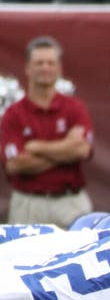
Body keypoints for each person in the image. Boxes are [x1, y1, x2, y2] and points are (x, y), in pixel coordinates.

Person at [0, 36, 94, 229]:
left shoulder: (74, 108)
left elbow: (82, 150)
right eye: (39, 63)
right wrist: (65, 149)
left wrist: (36, 147)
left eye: (50, 63)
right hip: (28, 204)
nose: (45, 68)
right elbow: (15, 164)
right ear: (27, 68)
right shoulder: (14, 114)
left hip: (70, 202)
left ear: (59, 68)